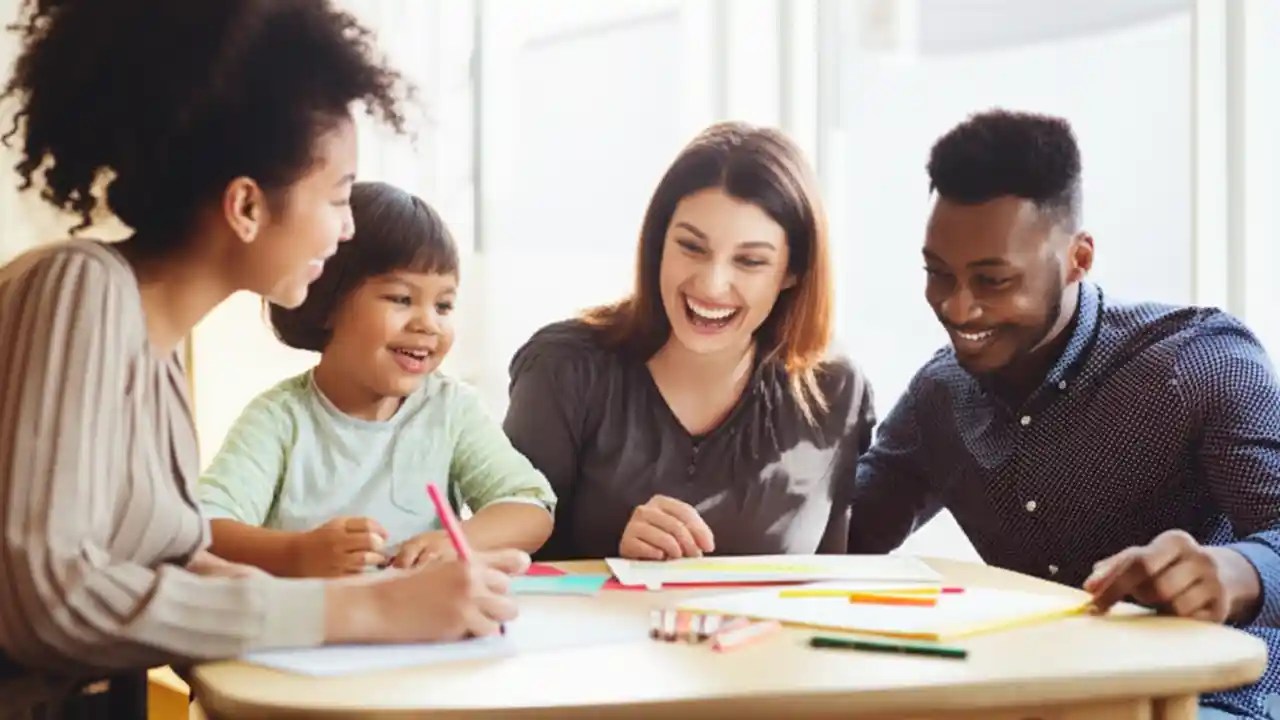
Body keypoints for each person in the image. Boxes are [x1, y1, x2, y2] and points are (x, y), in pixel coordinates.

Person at [0, 1, 524, 717]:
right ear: (247, 206)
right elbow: (49, 599)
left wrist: (378, 598)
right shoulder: (77, 288)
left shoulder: (152, 353)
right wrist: (366, 613)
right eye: (338, 198)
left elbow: (169, 567)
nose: (345, 230)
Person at [848, 109, 1280, 720]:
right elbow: (843, 536)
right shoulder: (938, 396)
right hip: (1041, 700)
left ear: (1079, 258)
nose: (956, 306)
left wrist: (1237, 571)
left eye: (993, 281)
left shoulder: (1201, 363)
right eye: (938, 274)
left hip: (1215, 701)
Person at [504, 121, 876, 562]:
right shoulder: (563, 370)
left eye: (750, 261)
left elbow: (835, 587)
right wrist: (612, 563)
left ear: (792, 272)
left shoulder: (834, 392)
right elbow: (507, 576)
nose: (713, 285)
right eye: (692, 248)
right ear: (659, 243)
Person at [198, 181, 556, 577]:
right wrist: (297, 553)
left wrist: (455, 540)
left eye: (444, 305)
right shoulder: (279, 419)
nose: (428, 324)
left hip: (421, 628)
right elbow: (206, 527)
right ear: (327, 300)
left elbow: (530, 508)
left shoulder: (451, 409)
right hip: (317, 625)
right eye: (402, 299)